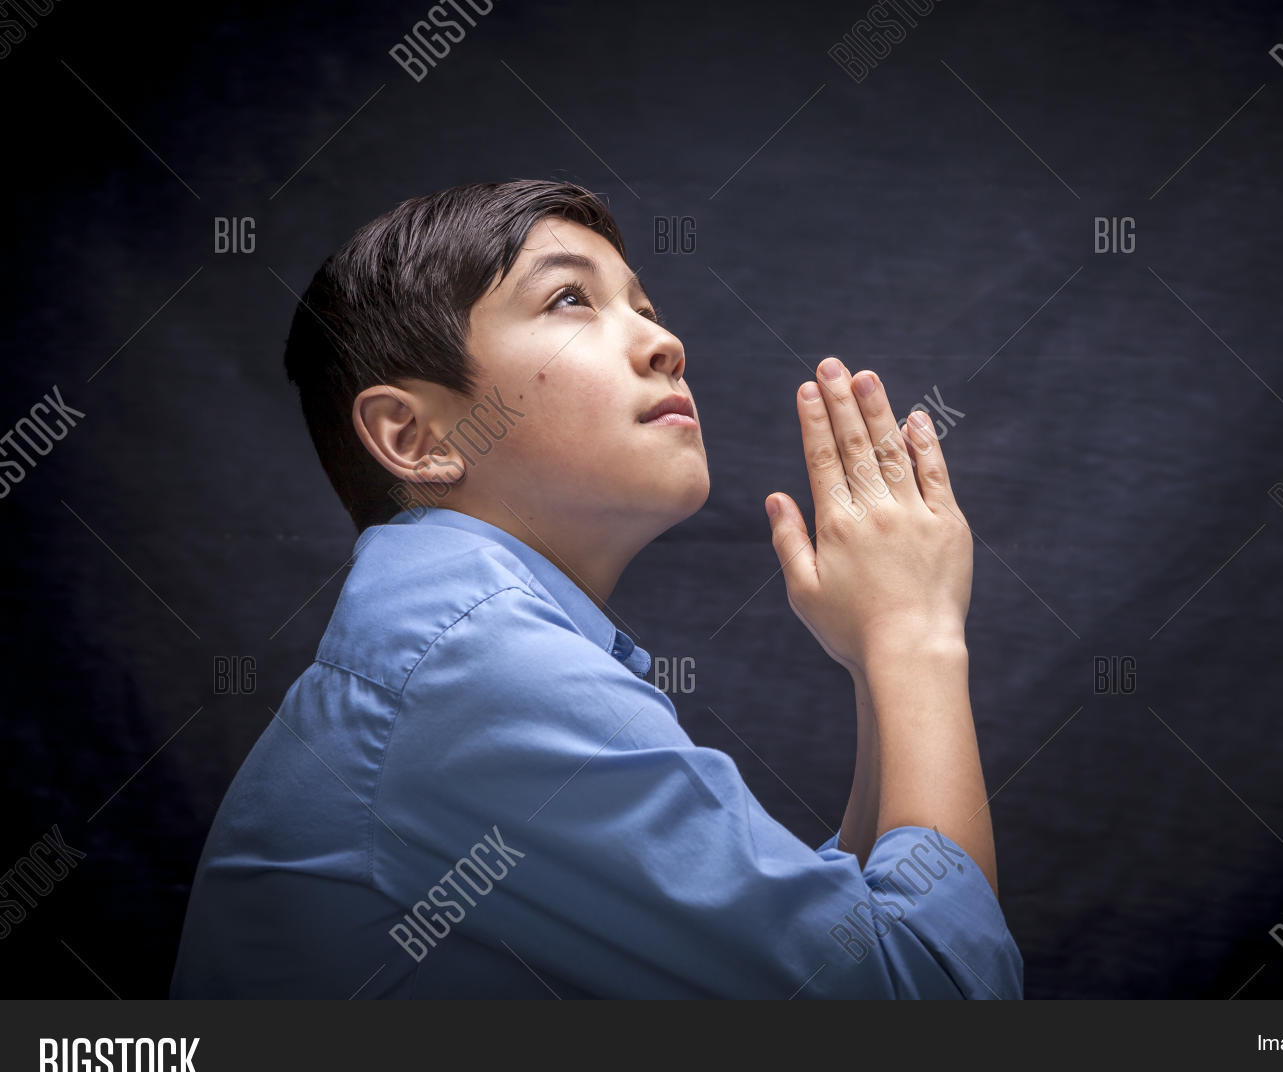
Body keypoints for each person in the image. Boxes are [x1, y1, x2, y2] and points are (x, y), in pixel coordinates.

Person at [170, 179, 1023, 998]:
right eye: (570, 301)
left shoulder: (459, 641)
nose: (665, 341)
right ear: (415, 437)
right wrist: (916, 636)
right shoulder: (475, 661)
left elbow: (830, 940)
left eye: (645, 308)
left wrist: (882, 660)